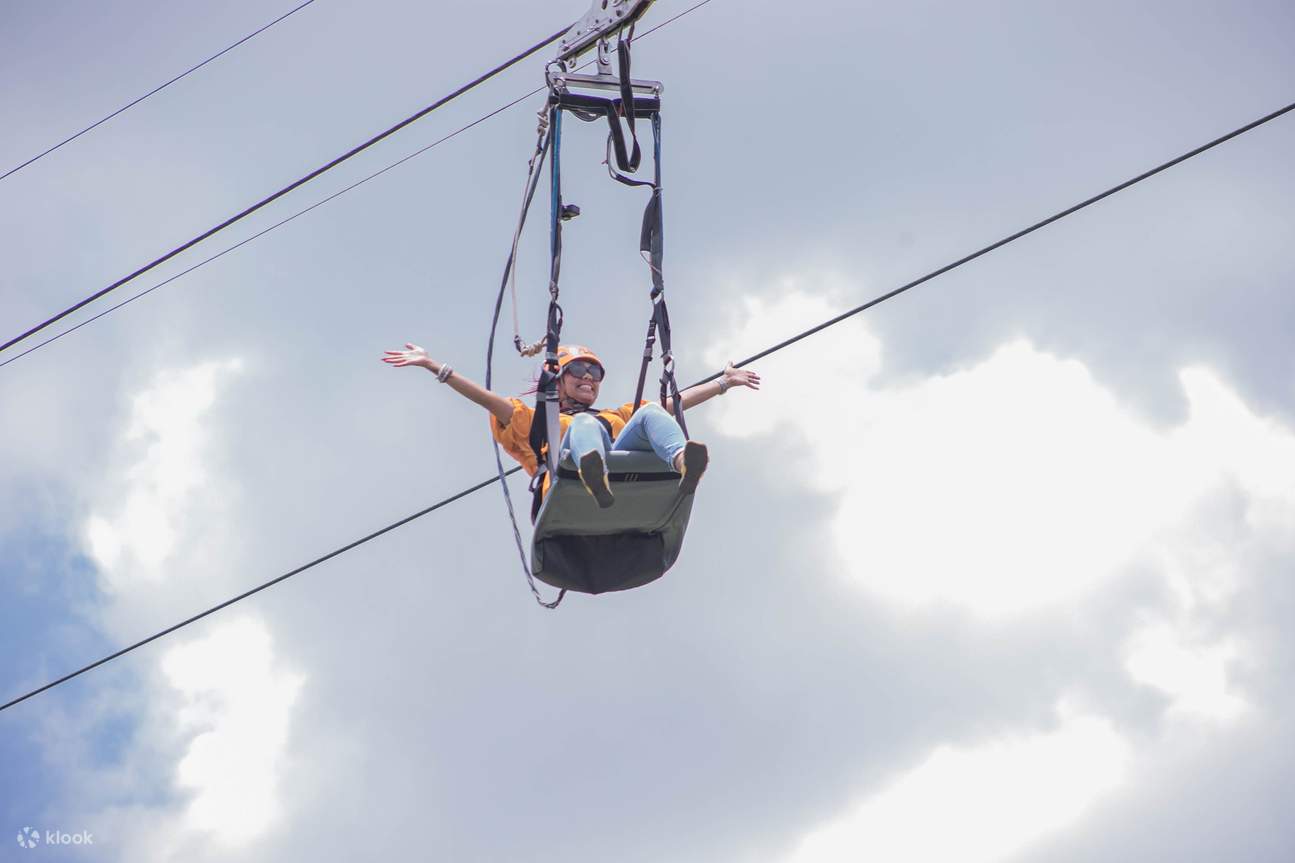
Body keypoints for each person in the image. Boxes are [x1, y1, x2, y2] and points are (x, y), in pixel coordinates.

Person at [382, 342, 761, 508]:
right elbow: (488, 399)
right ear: (560, 380)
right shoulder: (537, 421)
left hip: (621, 468)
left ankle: (683, 465)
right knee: (582, 428)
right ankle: (590, 474)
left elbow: (674, 403)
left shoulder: (615, 417)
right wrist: (436, 368)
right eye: (578, 370)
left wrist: (724, 382)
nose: (588, 377)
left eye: (594, 372)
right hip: (564, 481)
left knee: (651, 414)